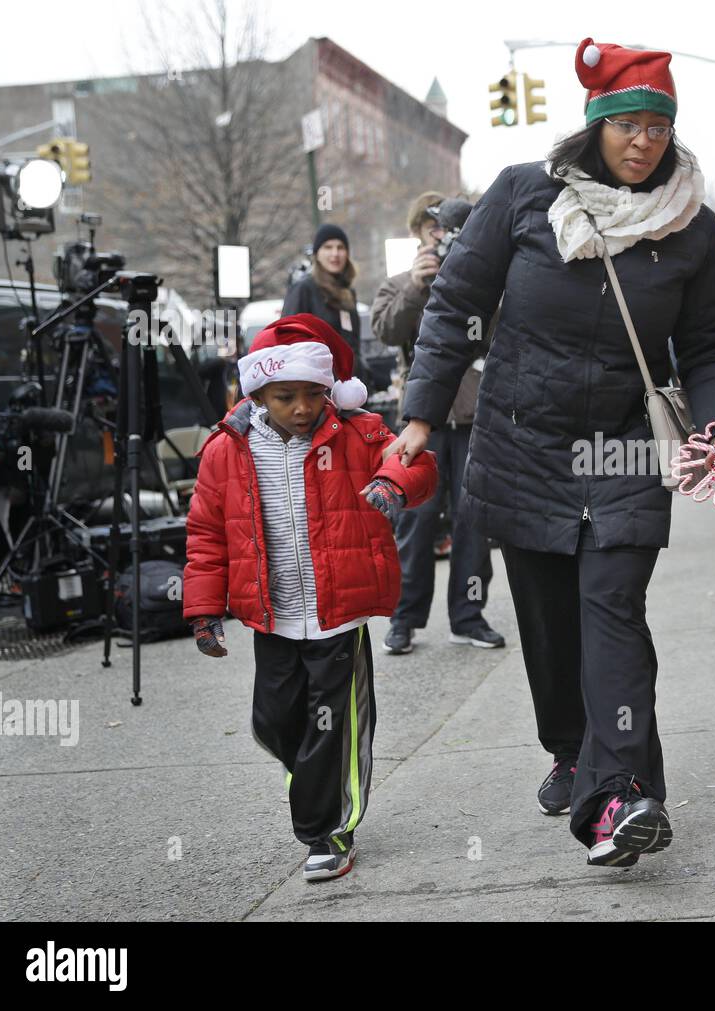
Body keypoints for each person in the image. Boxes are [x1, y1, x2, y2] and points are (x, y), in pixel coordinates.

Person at [385, 37, 715, 869]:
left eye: (657, 127)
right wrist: (419, 417)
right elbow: (453, 307)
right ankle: (572, 750)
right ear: (595, 126)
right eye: (626, 124)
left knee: (613, 609)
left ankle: (618, 795)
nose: (642, 142)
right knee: (551, 633)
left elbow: (709, 349)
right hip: (523, 446)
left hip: (623, 447)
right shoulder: (524, 195)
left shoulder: (692, 227)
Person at [182, 313, 438, 881]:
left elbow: (420, 468)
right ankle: (316, 795)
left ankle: (328, 831)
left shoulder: (358, 431)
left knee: (331, 727)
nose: (301, 408)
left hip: (336, 617)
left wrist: (394, 482)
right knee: (274, 722)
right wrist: (203, 608)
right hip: (271, 616)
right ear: (257, 394)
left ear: (330, 390)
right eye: (284, 397)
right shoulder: (226, 450)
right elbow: (205, 532)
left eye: (311, 395)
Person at [371, 193, 503, 655]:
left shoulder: (478, 276)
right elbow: (385, 330)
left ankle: (468, 616)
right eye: (430, 230)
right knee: (415, 519)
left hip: (471, 412)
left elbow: (497, 331)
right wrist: (416, 285)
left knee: (473, 518)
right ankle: (404, 620)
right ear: (416, 234)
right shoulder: (398, 282)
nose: (439, 237)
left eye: (445, 230)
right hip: (418, 419)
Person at [283, 224, 362, 380]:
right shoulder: (304, 288)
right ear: (317, 253)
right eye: (328, 247)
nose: (335, 253)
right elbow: (287, 339)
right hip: (317, 388)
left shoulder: (347, 292)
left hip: (348, 386)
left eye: (340, 247)